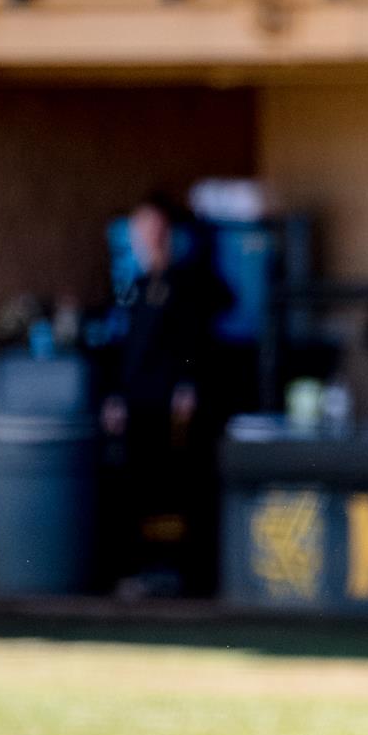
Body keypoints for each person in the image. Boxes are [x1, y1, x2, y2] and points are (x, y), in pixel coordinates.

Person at [95, 196, 233, 596]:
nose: (146, 237)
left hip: (172, 406)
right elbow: (123, 348)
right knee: (137, 486)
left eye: (153, 228)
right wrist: (115, 396)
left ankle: (182, 572)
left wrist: (187, 384)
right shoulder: (134, 288)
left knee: (176, 485)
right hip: (137, 404)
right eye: (139, 229)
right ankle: (143, 569)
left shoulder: (187, 282)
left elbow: (198, 337)